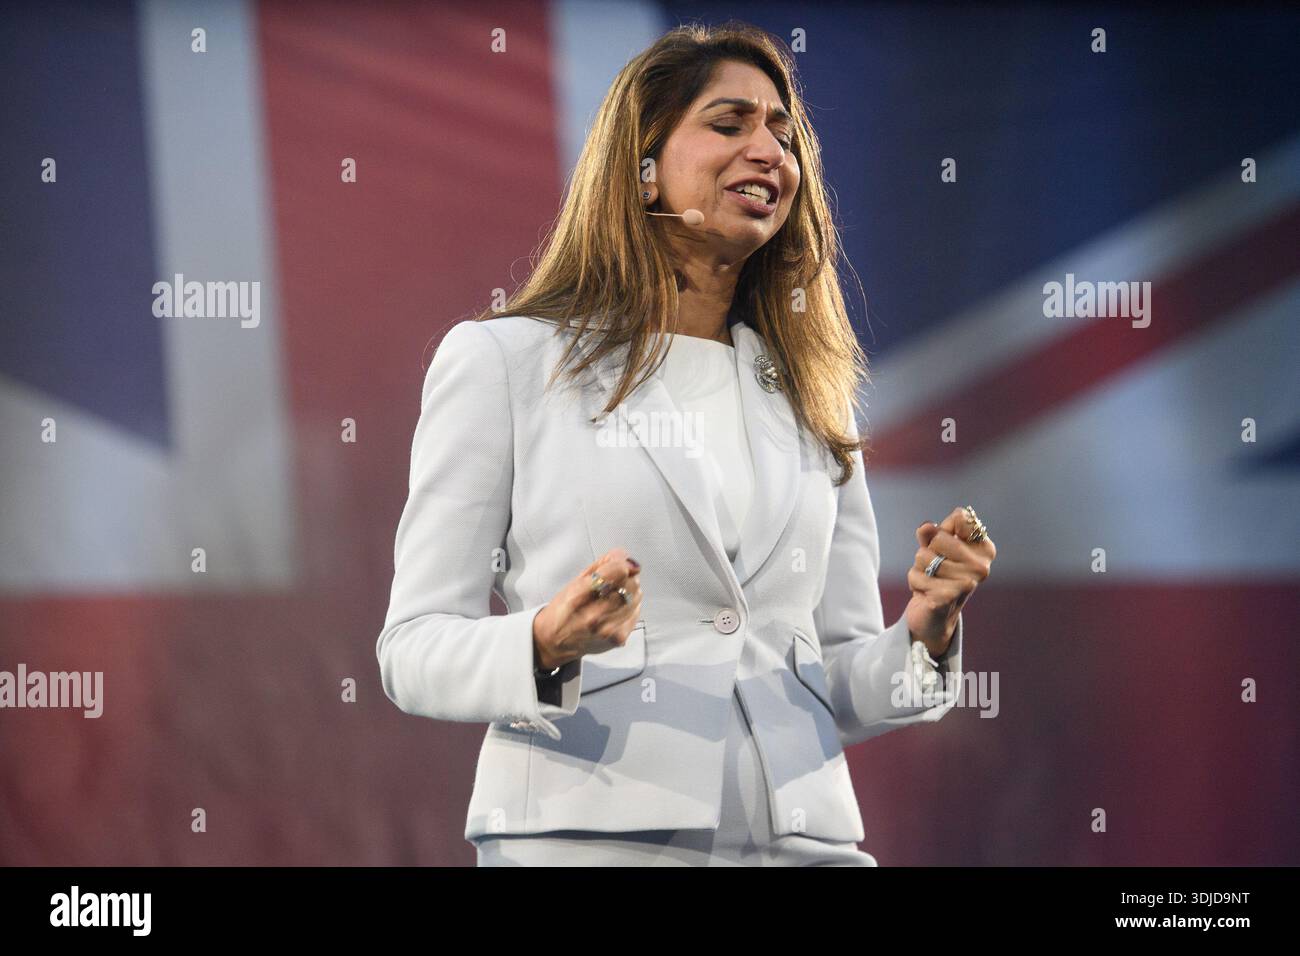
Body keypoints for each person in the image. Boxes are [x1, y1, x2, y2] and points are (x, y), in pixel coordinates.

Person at [376, 21, 996, 866]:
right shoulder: (507, 361)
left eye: (784, 133)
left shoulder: (814, 393)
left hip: (803, 843)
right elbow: (413, 649)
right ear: (641, 165)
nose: (769, 151)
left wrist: (926, 631)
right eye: (730, 122)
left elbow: (839, 684)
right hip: (588, 837)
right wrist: (543, 640)